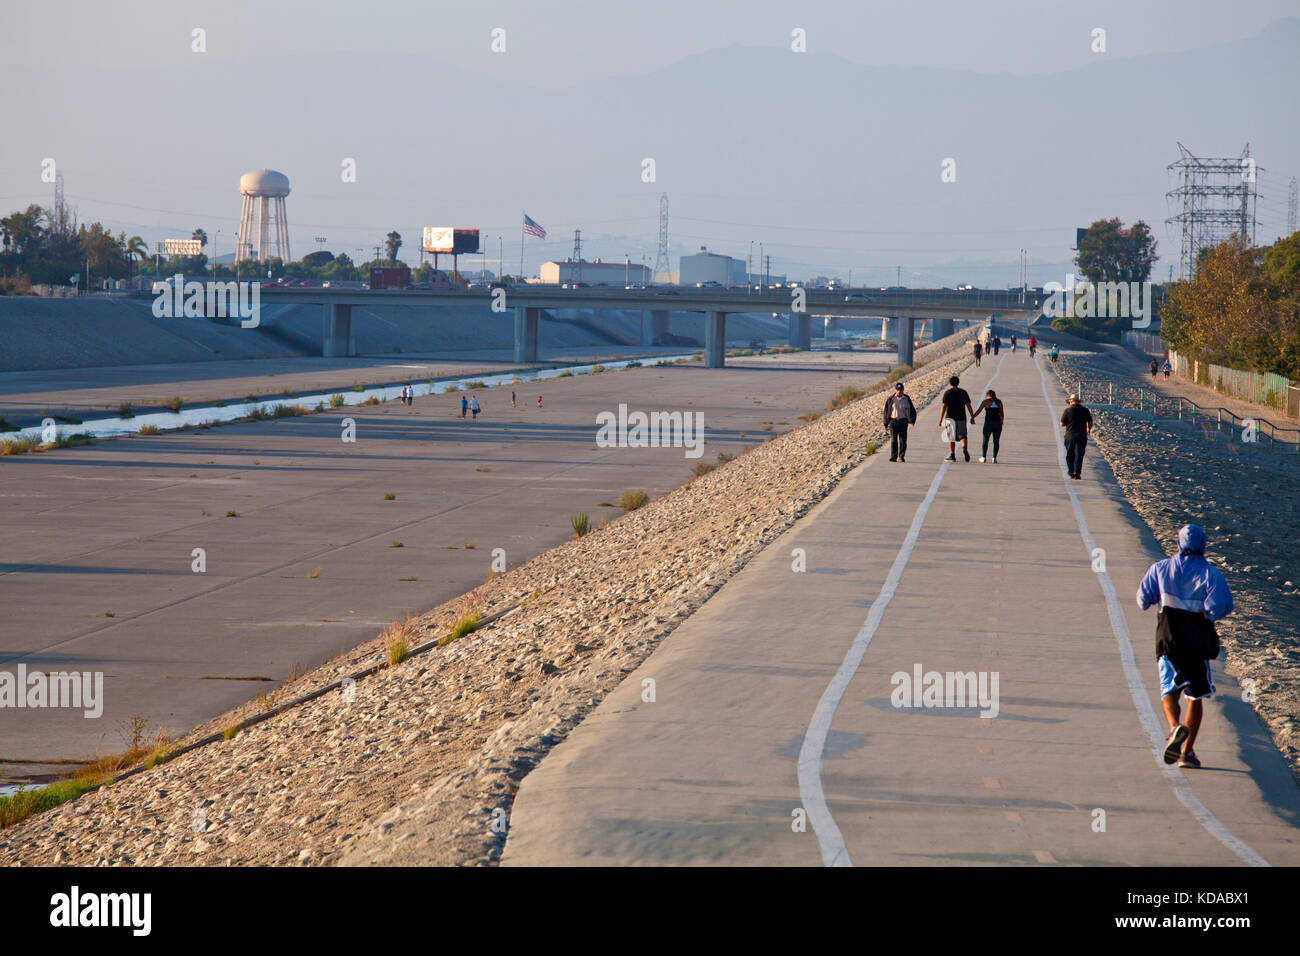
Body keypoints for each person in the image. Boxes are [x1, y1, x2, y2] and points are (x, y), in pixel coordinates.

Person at [1137, 524, 1234, 769]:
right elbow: (1220, 606)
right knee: (1195, 696)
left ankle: (1174, 726)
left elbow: (1142, 600)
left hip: (1168, 637)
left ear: (1179, 542)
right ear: (1203, 544)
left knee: (1169, 691)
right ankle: (1187, 753)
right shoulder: (1211, 574)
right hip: (1196, 641)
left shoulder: (1160, 568)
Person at [939, 375, 975, 462]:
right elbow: (968, 405)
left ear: (950, 383)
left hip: (950, 417)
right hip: (961, 417)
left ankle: (952, 455)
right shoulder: (963, 392)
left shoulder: (947, 393)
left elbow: (944, 406)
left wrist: (940, 419)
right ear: (958, 383)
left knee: (951, 437)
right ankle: (964, 448)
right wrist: (972, 416)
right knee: (963, 435)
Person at [1059, 393, 1092, 479]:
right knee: (1079, 455)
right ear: (1078, 402)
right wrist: (1088, 429)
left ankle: (1071, 471)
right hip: (1081, 436)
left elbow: (1062, 424)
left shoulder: (1067, 411)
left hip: (1070, 436)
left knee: (1070, 454)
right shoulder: (1085, 410)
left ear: (1071, 401)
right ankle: (1077, 473)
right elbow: (1090, 422)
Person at [883, 381, 916, 462]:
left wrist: (912, 420)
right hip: (893, 422)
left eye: (901, 390)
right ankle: (893, 457)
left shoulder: (906, 398)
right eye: (898, 390)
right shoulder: (891, 399)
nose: (899, 391)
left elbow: (912, 410)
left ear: (903, 390)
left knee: (903, 440)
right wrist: (885, 422)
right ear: (895, 390)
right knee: (894, 440)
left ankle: (901, 456)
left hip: (903, 421)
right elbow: (886, 411)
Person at [970, 388, 1005, 463]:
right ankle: (994, 458)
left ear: (987, 395)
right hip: (997, 423)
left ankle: (984, 457)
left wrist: (973, 417)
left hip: (988, 424)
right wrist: (1002, 421)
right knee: (996, 441)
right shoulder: (999, 402)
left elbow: (979, 411)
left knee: (985, 440)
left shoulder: (985, 402)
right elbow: (1002, 413)